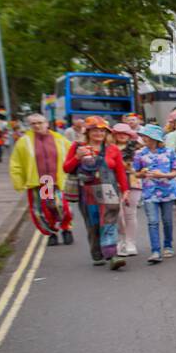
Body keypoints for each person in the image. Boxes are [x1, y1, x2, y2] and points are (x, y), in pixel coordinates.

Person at [62, 116, 129, 270]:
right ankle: (97, 253)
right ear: (88, 132)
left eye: (102, 131)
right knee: (93, 224)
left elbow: (120, 171)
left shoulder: (112, 149)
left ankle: (112, 255)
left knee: (109, 220)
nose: (99, 134)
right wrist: (78, 157)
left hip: (108, 189)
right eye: (95, 130)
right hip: (87, 191)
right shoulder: (78, 146)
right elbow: (66, 168)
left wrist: (125, 190)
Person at [9, 114, 74, 247]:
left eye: (40, 122)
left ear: (46, 123)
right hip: (42, 182)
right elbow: (16, 163)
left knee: (60, 206)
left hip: (57, 180)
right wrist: (18, 181)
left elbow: (72, 153)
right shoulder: (24, 141)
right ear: (30, 125)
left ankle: (66, 228)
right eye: (33, 123)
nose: (37, 126)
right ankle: (51, 233)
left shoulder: (59, 139)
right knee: (42, 210)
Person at [132, 125, 176, 264]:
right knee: (152, 222)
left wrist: (163, 175)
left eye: (146, 136)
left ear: (154, 138)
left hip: (168, 192)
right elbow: (136, 173)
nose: (143, 138)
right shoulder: (139, 154)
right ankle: (155, 251)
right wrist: (141, 173)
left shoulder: (169, 152)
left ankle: (168, 245)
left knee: (167, 221)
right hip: (149, 192)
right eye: (143, 136)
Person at [112, 123, 142, 257]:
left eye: (125, 133)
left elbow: (139, 167)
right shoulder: (109, 148)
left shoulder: (137, 149)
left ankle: (130, 242)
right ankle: (121, 240)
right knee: (117, 214)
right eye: (119, 133)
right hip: (113, 182)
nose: (122, 135)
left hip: (132, 182)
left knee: (130, 214)